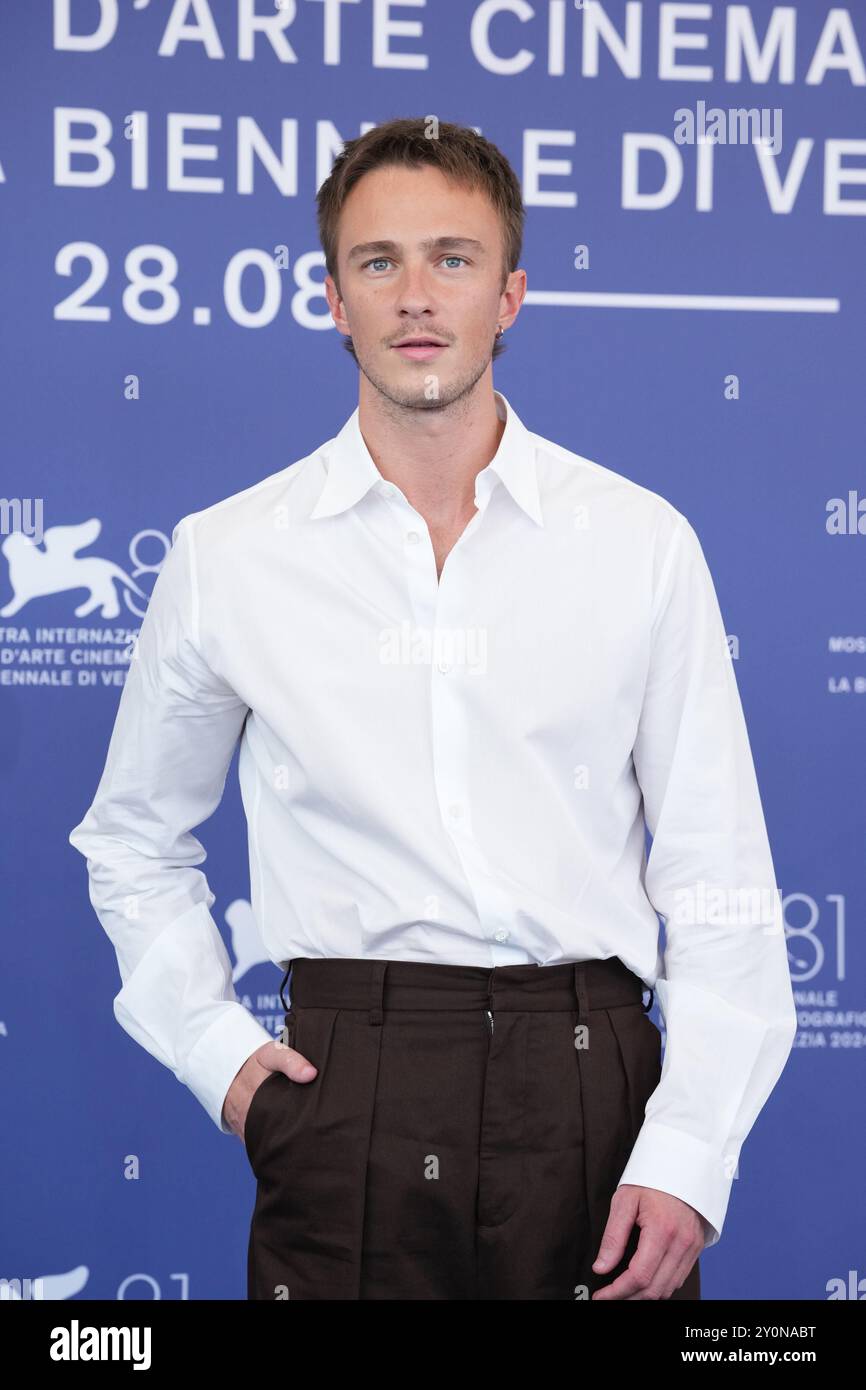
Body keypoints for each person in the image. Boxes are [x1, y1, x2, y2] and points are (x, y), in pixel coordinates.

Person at [69, 116, 797, 1301]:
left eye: (451, 259)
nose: (415, 295)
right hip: (343, 1087)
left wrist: (690, 1149)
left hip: (592, 1088)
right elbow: (132, 838)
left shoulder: (639, 544)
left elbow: (717, 875)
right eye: (378, 262)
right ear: (330, 296)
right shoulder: (229, 556)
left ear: (509, 294)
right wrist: (222, 1059)